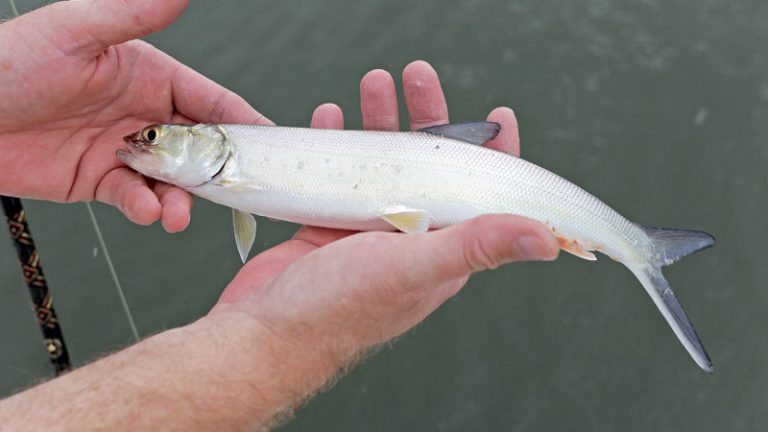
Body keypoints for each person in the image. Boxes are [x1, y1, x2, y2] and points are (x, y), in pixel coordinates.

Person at [0, 0, 558, 430]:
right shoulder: (231, 184)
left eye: (152, 137)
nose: (139, 143)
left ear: (212, 147)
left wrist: (271, 341)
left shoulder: (235, 175)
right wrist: (271, 338)